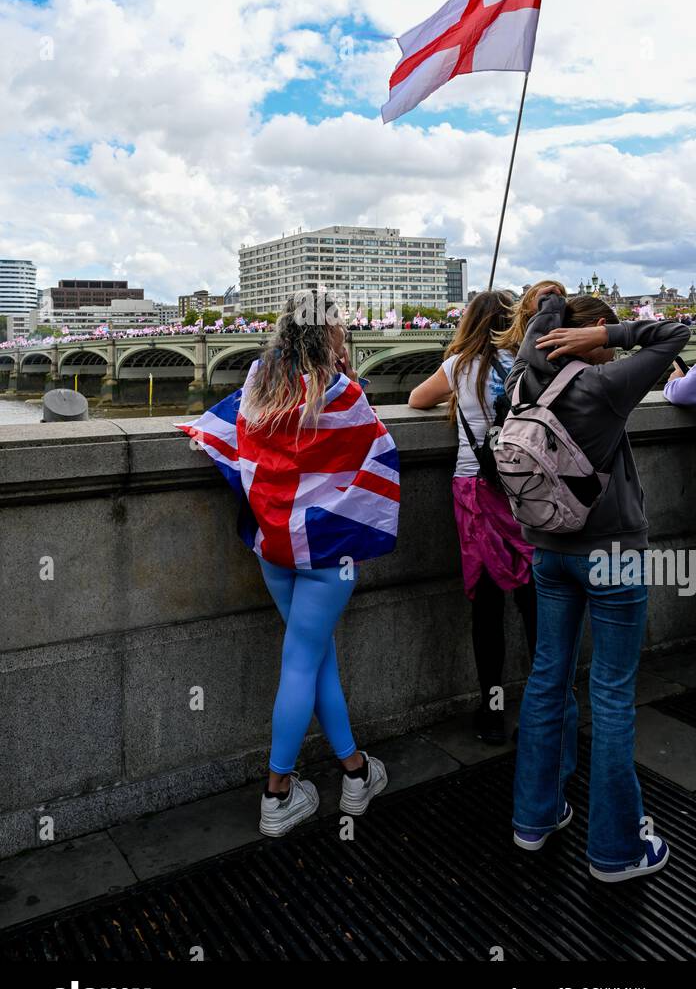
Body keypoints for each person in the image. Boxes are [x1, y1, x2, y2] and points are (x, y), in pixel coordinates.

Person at [179, 291, 400, 838]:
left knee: (313, 659)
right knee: (303, 662)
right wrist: (348, 377)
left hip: (275, 546)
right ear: (331, 336)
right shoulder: (344, 394)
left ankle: (355, 772)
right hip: (328, 554)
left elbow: (220, 431)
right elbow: (376, 448)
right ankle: (276, 795)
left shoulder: (260, 383)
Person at [508, 292, 690, 881]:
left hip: (547, 551)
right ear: (595, 334)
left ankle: (534, 819)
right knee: (611, 694)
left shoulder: (520, 378)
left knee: (545, 681)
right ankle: (616, 851)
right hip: (613, 553)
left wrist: (559, 315)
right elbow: (673, 334)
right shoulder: (603, 387)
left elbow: (537, 326)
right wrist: (609, 340)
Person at [408, 290, 537, 744]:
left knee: (486, 609)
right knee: (533, 604)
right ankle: (546, 707)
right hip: (525, 492)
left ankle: (491, 711)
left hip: (476, 490)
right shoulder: (528, 362)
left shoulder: (459, 366)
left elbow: (416, 399)